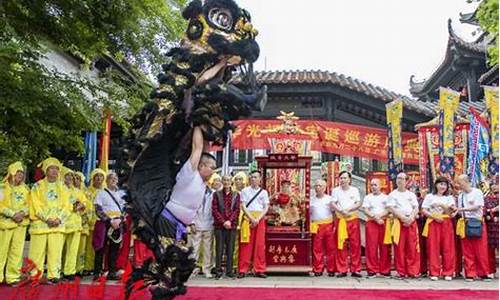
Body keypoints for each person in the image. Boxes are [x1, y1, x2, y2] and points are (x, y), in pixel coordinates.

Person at [29, 157, 70, 284]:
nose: (54, 171)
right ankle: (35, 276)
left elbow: (67, 205)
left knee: (55, 251)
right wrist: (47, 219)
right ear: (46, 170)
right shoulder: (37, 186)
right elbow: (35, 205)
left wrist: (58, 219)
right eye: (51, 168)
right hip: (40, 225)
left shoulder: (63, 186)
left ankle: (54, 275)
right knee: (37, 252)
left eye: (56, 169)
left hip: (57, 225)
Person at [455, 174, 491, 282]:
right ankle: (470, 273)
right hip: (465, 223)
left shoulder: (477, 192)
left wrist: (461, 209)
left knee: (481, 249)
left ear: (466, 181)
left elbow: (477, 207)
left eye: (460, 182)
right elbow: (459, 209)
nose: (458, 185)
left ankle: (483, 273)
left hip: (477, 222)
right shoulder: (460, 195)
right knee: (467, 250)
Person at [0, 162, 30, 285]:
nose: (20, 176)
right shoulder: (2, 188)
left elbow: (30, 205)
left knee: (17, 252)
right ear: (11, 173)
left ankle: (13, 277)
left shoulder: (26, 189)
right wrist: (12, 214)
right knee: (1, 251)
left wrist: (22, 213)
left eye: (22, 173)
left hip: (20, 225)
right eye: (18, 173)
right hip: (5, 225)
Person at [421, 177, 456, 281]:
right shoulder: (429, 196)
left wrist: (441, 205)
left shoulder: (449, 198)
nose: (442, 187)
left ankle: (448, 272)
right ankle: (434, 272)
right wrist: (433, 216)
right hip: (433, 222)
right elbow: (423, 210)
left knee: (448, 248)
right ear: (436, 185)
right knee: (433, 248)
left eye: (445, 185)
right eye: (440, 184)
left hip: (446, 222)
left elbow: (451, 213)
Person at [93, 171, 126, 281]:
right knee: (100, 248)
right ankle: (97, 272)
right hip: (104, 223)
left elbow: (125, 210)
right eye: (111, 178)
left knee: (114, 248)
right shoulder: (101, 193)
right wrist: (110, 220)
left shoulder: (121, 194)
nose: (113, 180)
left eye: (115, 178)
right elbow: (98, 210)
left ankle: (112, 272)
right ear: (106, 181)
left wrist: (119, 220)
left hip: (117, 223)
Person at [387, 172, 421, 279]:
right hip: (398, 222)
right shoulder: (392, 194)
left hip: (411, 222)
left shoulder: (411, 194)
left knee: (412, 247)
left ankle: (412, 271)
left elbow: (416, 208)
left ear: (407, 181)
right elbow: (391, 208)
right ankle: (401, 271)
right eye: (398, 178)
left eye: (402, 178)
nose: (400, 180)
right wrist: (402, 218)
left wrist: (410, 218)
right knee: (399, 248)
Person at [238, 170, 269, 278]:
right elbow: (243, 205)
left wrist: (258, 218)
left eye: (256, 177)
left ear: (260, 179)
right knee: (246, 244)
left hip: (259, 219)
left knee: (259, 245)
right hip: (248, 218)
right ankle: (243, 269)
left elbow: (266, 207)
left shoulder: (264, 192)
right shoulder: (245, 191)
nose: (253, 179)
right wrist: (251, 218)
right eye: (251, 177)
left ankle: (259, 269)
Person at [331, 171, 362, 278]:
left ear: (349, 179)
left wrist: (348, 209)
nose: (342, 180)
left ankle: (356, 269)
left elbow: (358, 203)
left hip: (352, 219)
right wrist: (341, 210)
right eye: (341, 178)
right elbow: (333, 203)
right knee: (341, 244)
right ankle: (342, 269)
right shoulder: (335, 191)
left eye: (344, 178)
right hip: (341, 220)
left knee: (355, 244)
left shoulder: (355, 190)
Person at [188, 173, 218, 279]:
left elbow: (216, 210)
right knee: (194, 249)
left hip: (209, 224)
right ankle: (192, 269)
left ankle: (207, 269)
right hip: (196, 224)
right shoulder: (194, 193)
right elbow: (190, 208)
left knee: (208, 249)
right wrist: (191, 222)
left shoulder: (214, 194)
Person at [361, 178, 391, 278]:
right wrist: (375, 217)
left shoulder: (386, 197)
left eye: (375, 185)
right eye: (372, 185)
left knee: (385, 247)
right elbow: (365, 210)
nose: (373, 187)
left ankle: (385, 270)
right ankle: (372, 270)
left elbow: (388, 209)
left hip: (383, 223)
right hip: (371, 223)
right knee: (371, 247)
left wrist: (379, 217)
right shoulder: (368, 197)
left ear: (380, 185)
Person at [61, 167, 87, 280]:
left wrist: (82, 206)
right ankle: (58, 270)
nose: (70, 178)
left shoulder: (78, 191)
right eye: (67, 175)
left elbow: (85, 203)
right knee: (59, 250)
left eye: (72, 176)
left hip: (75, 223)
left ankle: (69, 272)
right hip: (61, 223)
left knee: (73, 250)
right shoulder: (59, 189)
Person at [212, 175, 240, 279]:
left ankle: (229, 271)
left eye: (228, 180)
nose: (226, 182)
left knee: (230, 248)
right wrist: (223, 222)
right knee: (219, 248)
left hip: (231, 226)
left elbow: (237, 210)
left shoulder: (236, 195)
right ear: (222, 182)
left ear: (231, 181)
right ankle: (218, 271)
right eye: (224, 180)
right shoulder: (216, 194)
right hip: (220, 226)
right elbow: (214, 210)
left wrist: (229, 221)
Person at [310, 179, 336, 277]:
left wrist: (334, 225)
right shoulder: (311, 200)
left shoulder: (330, 199)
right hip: (316, 226)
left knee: (330, 248)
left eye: (320, 186)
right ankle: (318, 269)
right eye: (316, 186)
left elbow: (334, 213)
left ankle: (331, 269)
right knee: (317, 249)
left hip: (328, 225)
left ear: (325, 187)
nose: (318, 188)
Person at [83, 168, 106, 276]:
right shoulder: (87, 192)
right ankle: (88, 267)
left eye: (101, 176)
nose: (99, 178)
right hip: (90, 223)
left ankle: (98, 267)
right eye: (96, 176)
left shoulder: (106, 192)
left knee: (100, 246)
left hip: (102, 223)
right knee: (89, 246)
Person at [73, 172, 90, 276]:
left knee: (81, 249)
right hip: (69, 224)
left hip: (83, 225)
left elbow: (90, 208)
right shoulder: (67, 190)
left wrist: (85, 220)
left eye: (78, 179)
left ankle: (79, 268)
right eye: (74, 178)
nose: (76, 181)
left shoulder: (86, 193)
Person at [484, 179, 498, 276]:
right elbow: (485, 211)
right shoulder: (487, 199)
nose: (497, 194)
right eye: (495, 192)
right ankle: (491, 270)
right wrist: (493, 210)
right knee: (490, 250)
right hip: (492, 228)